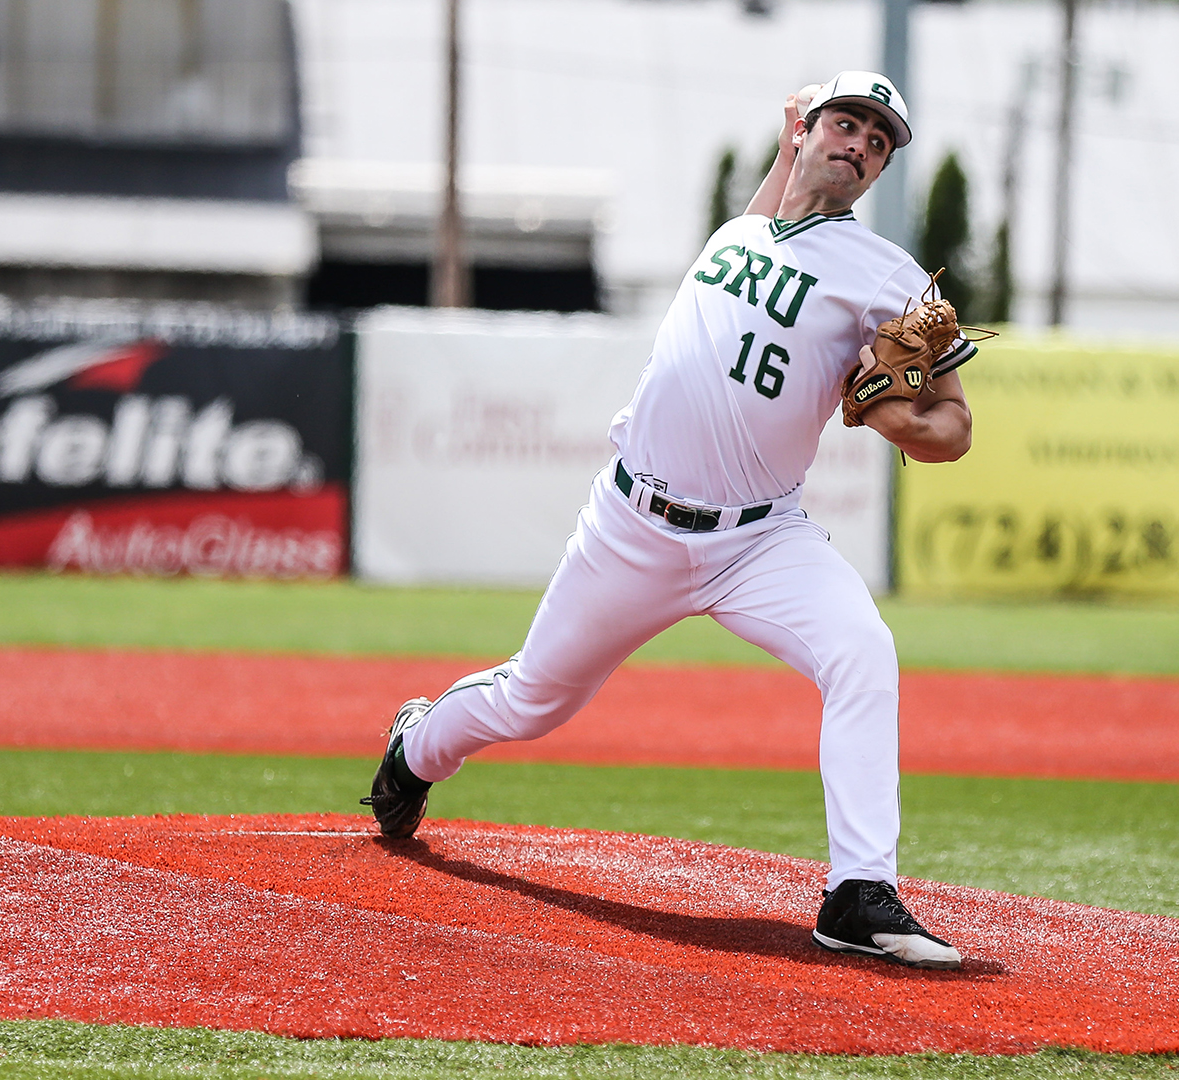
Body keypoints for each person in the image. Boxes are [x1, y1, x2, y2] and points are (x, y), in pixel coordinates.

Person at [362, 72, 978, 970]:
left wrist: (893, 415)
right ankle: (418, 746)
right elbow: (779, 210)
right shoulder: (741, 230)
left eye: (879, 140)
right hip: (634, 525)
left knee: (862, 649)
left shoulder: (890, 277)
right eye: (846, 123)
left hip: (760, 540)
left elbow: (955, 429)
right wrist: (785, 142)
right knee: (535, 700)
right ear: (805, 130)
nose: (859, 144)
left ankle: (859, 891)